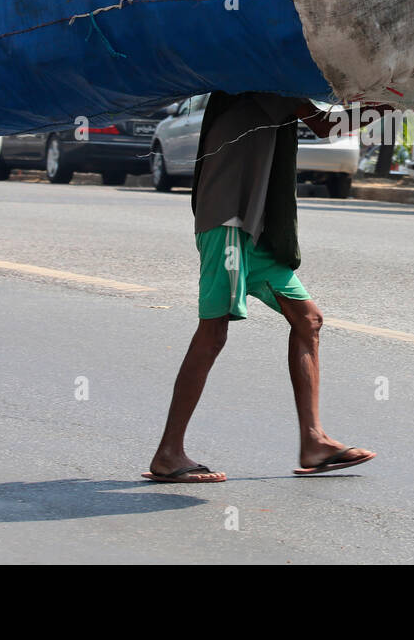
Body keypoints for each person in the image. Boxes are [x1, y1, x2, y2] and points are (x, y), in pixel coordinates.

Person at [143, 92, 379, 482]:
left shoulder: (262, 77)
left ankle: (314, 440)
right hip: (229, 223)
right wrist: (390, 103)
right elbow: (325, 125)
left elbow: (320, 120)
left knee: (309, 321)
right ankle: (169, 454)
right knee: (214, 330)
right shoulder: (262, 80)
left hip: (253, 226)